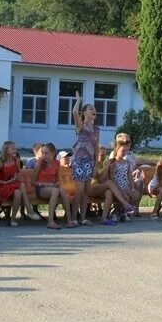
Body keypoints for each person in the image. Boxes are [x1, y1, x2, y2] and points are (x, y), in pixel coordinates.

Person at [70, 92, 99, 227]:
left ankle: (83, 218)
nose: (94, 110)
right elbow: (74, 112)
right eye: (90, 108)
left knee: (87, 191)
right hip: (79, 162)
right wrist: (78, 100)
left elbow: (96, 147)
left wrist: (95, 165)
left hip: (90, 162)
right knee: (79, 191)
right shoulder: (80, 126)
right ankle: (73, 218)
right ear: (85, 112)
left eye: (94, 109)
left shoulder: (97, 129)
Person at [0, 141, 34, 225]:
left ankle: (13, 219)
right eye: (13, 149)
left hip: (12, 185)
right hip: (2, 186)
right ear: (6, 150)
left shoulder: (16, 160)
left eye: (15, 148)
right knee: (21, 185)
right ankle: (28, 208)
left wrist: (15, 177)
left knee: (18, 192)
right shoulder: (0, 162)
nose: (15, 150)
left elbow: (18, 173)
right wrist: (6, 182)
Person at [33, 143, 69, 230]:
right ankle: (50, 221)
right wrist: (49, 185)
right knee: (55, 191)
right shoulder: (40, 163)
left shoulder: (57, 163)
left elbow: (57, 179)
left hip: (52, 188)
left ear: (53, 153)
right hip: (41, 189)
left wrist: (57, 184)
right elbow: (33, 182)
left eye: (46, 153)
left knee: (62, 191)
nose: (44, 155)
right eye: (43, 153)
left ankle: (70, 220)